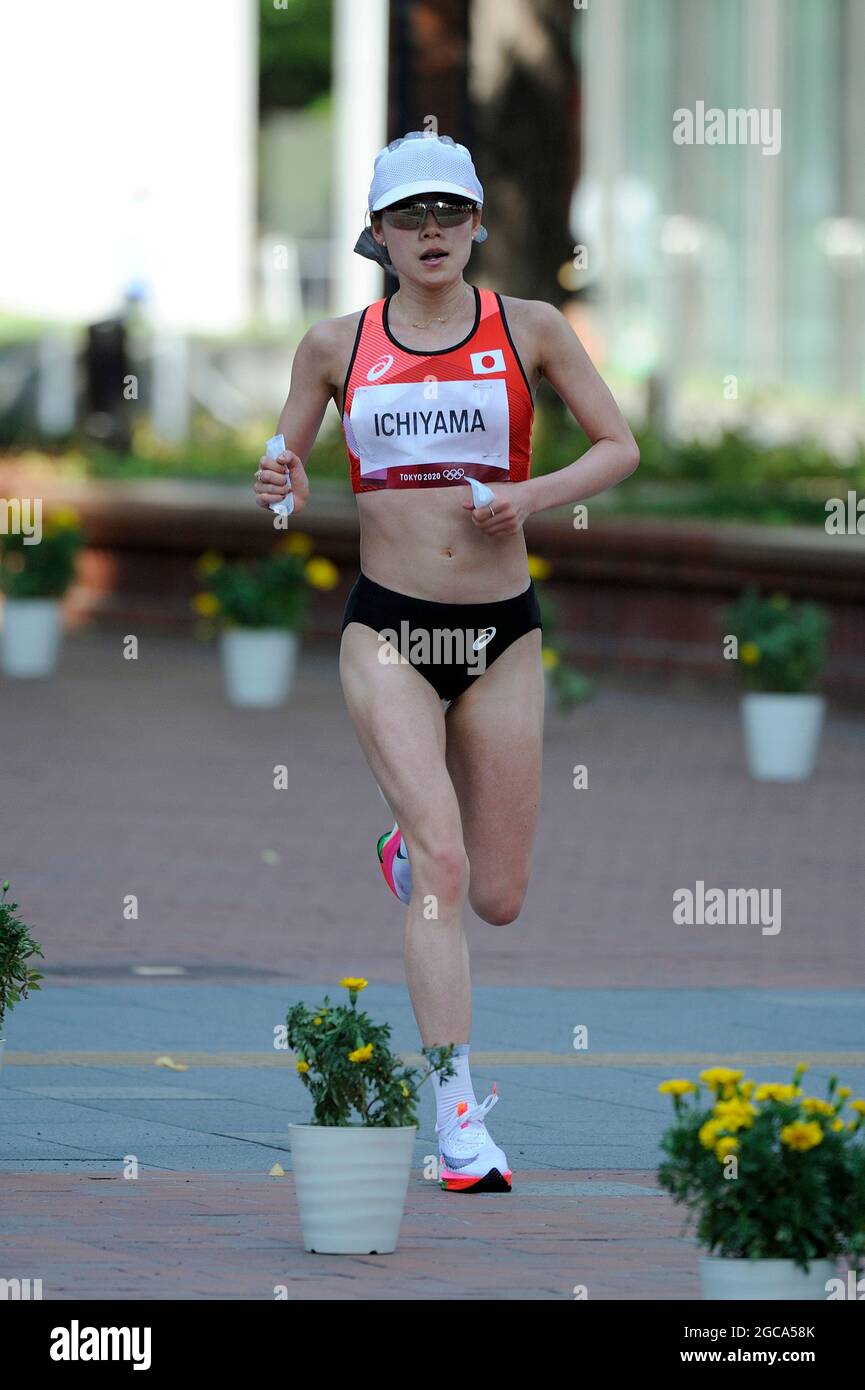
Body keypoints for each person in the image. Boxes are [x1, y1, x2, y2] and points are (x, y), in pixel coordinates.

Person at [253, 132, 639, 1193]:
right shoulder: (337, 344)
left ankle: (408, 845)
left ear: (475, 225)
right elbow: (284, 470)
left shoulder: (531, 328)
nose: (429, 232)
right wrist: (276, 479)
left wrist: (530, 496)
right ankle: (456, 1115)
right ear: (375, 236)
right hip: (388, 632)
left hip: (502, 633)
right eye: (406, 217)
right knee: (447, 867)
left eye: (446, 214)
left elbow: (618, 445)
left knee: (499, 895)